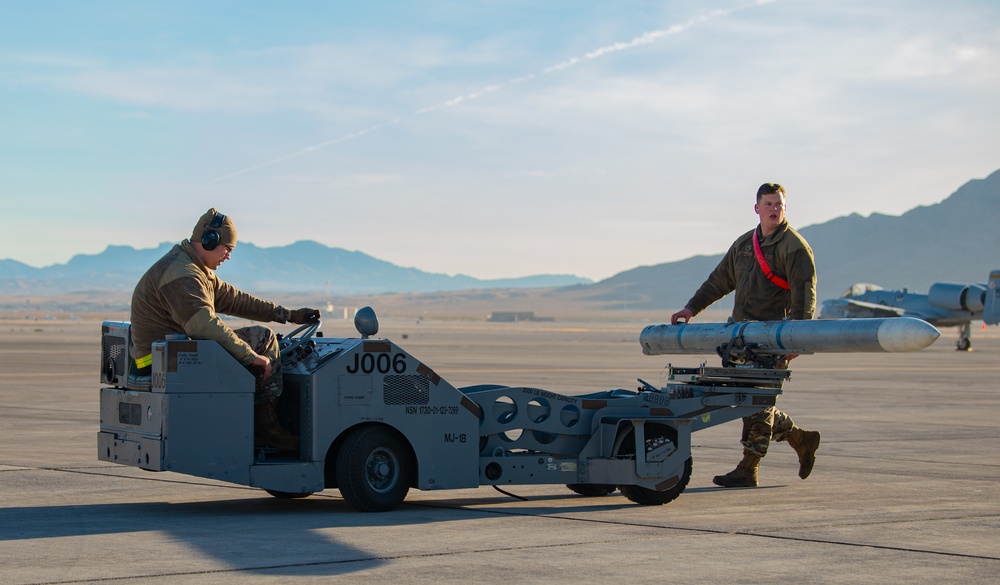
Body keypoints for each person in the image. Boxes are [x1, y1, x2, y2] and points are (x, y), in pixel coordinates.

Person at [129, 208, 320, 452]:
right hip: (163, 365)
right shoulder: (183, 275)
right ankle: (267, 430)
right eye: (227, 249)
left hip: (167, 357)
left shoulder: (192, 268)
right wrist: (252, 357)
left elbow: (236, 300)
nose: (228, 257)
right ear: (210, 241)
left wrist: (288, 315)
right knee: (263, 338)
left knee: (259, 338)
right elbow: (204, 325)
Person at [670, 183, 821, 488]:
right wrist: (691, 308)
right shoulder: (744, 245)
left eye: (779, 204)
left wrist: (797, 338)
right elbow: (719, 281)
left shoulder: (794, 247)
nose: (774, 209)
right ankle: (800, 438)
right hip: (741, 338)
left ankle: (748, 468)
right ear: (757, 208)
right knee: (747, 402)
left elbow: (805, 295)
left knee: (758, 402)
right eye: (768, 204)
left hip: (774, 338)